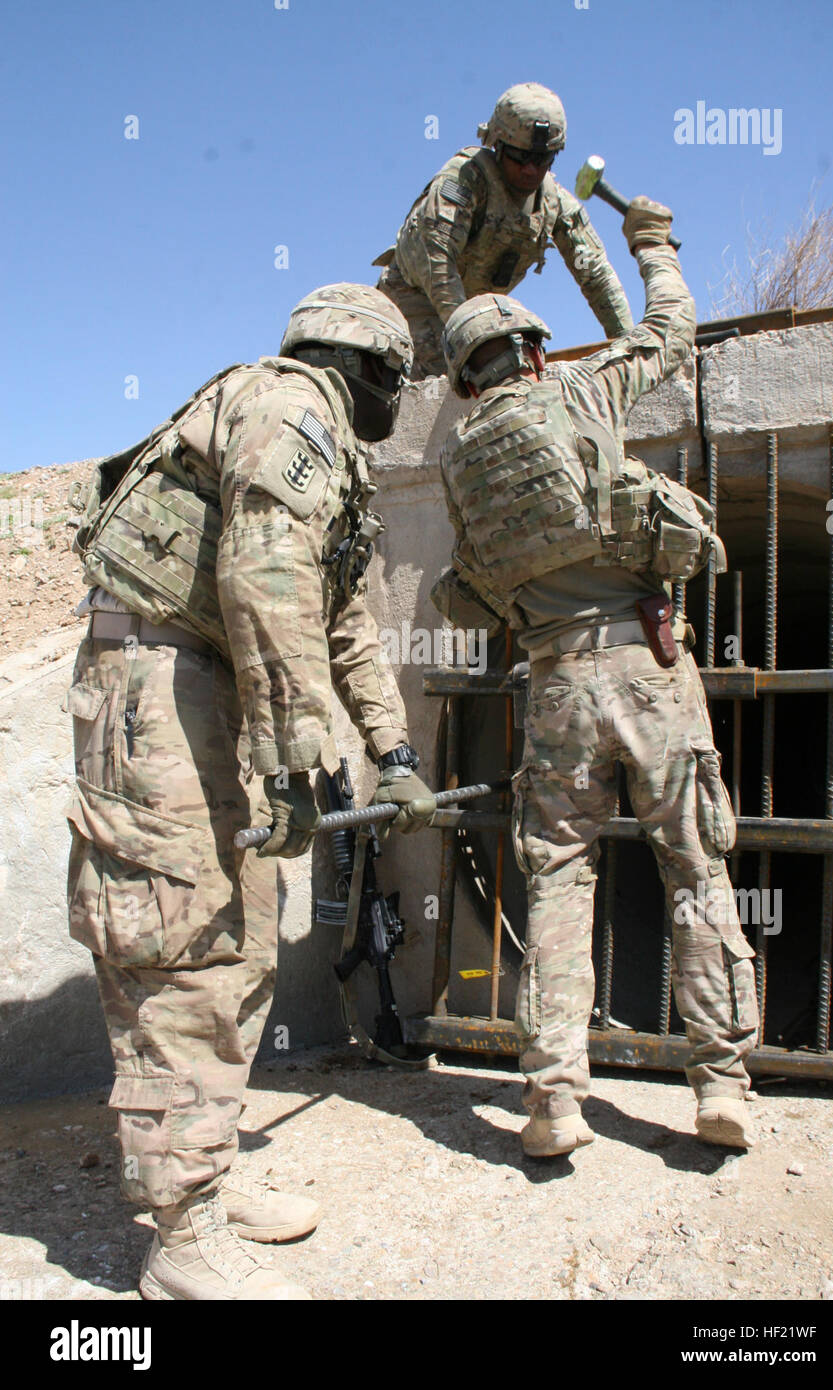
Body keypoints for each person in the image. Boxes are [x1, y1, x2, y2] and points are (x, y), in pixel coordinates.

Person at [65, 283, 436, 1299]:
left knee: (238, 942)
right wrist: (297, 759)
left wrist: (393, 754)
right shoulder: (291, 405)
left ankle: (202, 1185)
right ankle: (181, 1242)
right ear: (366, 368)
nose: (398, 400)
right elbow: (263, 581)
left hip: (213, 690)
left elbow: (343, 620)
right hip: (162, 688)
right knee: (183, 951)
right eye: (398, 382)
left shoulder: (325, 461)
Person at [433, 199, 759, 1159]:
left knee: (556, 886)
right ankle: (720, 1085)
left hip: (554, 685)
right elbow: (668, 333)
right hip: (648, 667)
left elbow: (467, 597)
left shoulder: (458, 465)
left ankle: (552, 1105)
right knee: (696, 870)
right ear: (533, 348)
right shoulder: (577, 394)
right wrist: (652, 243)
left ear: (463, 375)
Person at [374, 82, 633, 379]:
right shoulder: (463, 182)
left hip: (475, 311)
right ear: (497, 145)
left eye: (542, 160)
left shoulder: (553, 202)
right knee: (443, 376)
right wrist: (473, 341)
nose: (530, 170)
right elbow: (439, 267)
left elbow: (595, 275)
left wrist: (629, 344)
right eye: (519, 157)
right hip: (412, 302)